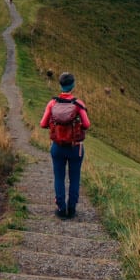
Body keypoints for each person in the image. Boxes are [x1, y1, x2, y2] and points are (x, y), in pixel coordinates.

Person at [39, 72, 90, 220]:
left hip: (57, 146)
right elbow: (87, 124)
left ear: (60, 85)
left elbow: (43, 123)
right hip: (75, 147)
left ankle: (61, 209)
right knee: (75, 178)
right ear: (73, 86)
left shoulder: (52, 103)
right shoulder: (78, 104)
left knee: (59, 177)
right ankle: (72, 209)